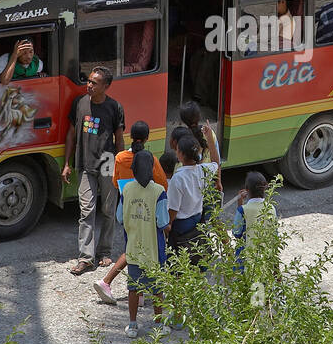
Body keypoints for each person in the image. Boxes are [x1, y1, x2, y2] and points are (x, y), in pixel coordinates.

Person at [93, 120, 169, 305]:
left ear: (130, 136)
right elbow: (163, 184)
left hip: (128, 209)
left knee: (133, 249)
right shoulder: (151, 160)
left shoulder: (119, 158)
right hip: (147, 211)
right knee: (138, 252)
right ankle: (106, 282)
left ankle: (138, 294)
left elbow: (114, 181)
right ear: (147, 138)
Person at [63, 66, 125, 275]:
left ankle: (105, 252)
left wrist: (121, 166)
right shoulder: (79, 103)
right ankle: (86, 258)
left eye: (94, 83)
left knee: (108, 210)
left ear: (106, 86)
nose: (89, 85)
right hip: (85, 164)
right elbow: (71, 134)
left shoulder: (115, 107)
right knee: (86, 210)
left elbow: (119, 139)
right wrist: (67, 163)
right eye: (89, 81)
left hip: (108, 164)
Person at [116, 150, 169, 338]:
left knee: (133, 288)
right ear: (153, 168)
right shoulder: (159, 192)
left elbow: (119, 217)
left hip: (133, 249)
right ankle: (158, 324)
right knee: (157, 290)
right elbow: (162, 222)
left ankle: (132, 325)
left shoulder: (127, 190)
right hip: (154, 250)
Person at [166, 133, 222, 262]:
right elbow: (216, 162)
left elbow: (173, 209)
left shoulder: (178, 178)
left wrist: (168, 225)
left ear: (180, 154)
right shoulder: (203, 170)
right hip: (197, 219)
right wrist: (210, 139)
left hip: (181, 225)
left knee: (180, 262)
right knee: (195, 255)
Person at [232, 170, 271, 271]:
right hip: (264, 256)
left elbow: (236, 233)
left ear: (247, 190)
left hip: (245, 257)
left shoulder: (243, 210)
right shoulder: (271, 208)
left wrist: (240, 203)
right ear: (265, 188)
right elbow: (274, 236)